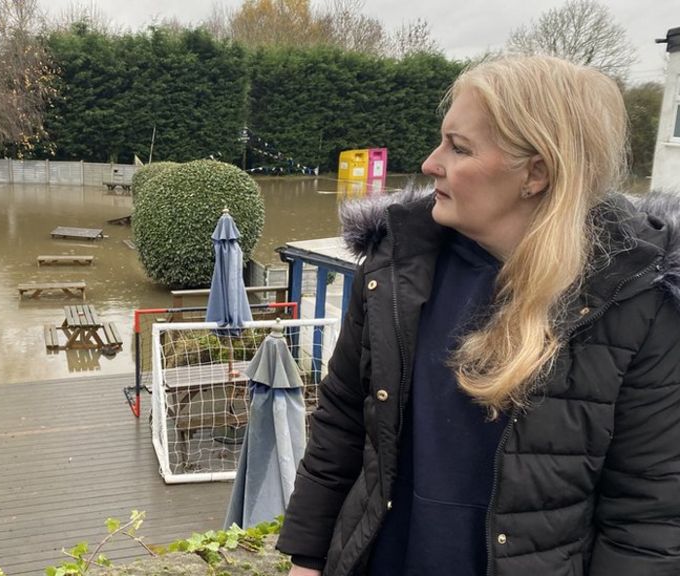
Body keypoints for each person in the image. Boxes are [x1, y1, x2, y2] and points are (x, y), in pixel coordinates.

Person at [277, 54, 680, 576]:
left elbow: (648, 516)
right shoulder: (396, 264)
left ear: (536, 172)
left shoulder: (641, 300)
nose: (430, 163)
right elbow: (341, 429)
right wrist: (306, 560)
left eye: (458, 147)